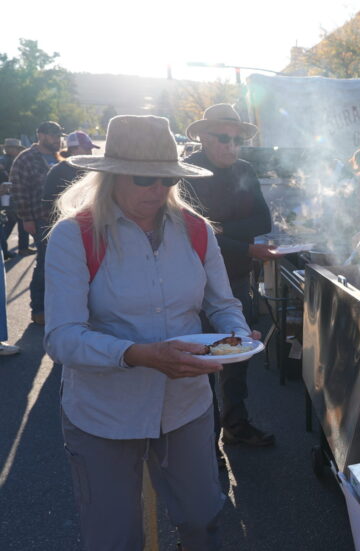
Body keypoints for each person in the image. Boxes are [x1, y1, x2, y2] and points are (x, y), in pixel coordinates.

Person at [45, 114, 254, 550]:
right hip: (104, 412)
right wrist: (138, 354)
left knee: (202, 517)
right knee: (114, 536)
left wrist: (236, 338)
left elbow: (222, 302)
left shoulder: (195, 229)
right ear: (113, 175)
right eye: (144, 179)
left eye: (167, 180)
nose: (157, 192)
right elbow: (61, 337)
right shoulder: (75, 235)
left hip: (185, 404)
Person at [183, 103, 277, 448]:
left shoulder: (245, 170)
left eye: (237, 139)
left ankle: (235, 424)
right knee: (201, 361)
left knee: (237, 355)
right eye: (224, 138)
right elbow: (188, 232)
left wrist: (218, 230)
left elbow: (263, 222)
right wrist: (239, 244)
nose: (232, 146)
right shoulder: (187, 172)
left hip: (237, 278)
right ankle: (205, 442)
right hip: (193, 282)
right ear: (205, 137)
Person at [10, 121, 62, 324]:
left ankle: (57, 307)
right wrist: (27, 219)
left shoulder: (59, 156)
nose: (57, 138)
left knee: (61, 265)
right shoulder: (26, 158)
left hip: (63, 218)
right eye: (52, 134)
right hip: (41, 218)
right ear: (40, 135)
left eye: (58, 134)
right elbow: (19, 191)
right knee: (45, 264)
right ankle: (38, 309)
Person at [41, 131, 98, 236]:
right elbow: (48, 201)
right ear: (73, 149)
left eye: (90, 149)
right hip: (65, 226)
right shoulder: (58, 170)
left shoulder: (92, 169)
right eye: (87, 148)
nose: (90, 152)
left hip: (89, 225)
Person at [1, 138, 31, 259]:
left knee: (10, 221)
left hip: (9, 195)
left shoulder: (11, 160)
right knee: (20, 219)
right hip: (8, 196)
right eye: (16, 149)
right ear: (9, 149)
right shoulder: (5, 160)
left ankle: (5, 248)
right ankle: (22, 248)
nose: (18, 151)